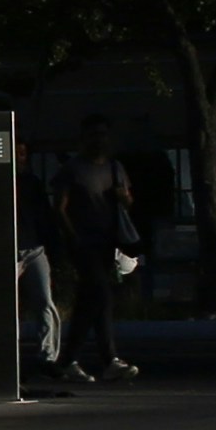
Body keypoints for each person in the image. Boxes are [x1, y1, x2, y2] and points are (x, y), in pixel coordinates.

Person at [53, 113, 143, 385]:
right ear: (83, 139)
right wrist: (73, 237)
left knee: (90, 302)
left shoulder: (115, 168)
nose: (99, 140)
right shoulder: (72, 169)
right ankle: (109, 360)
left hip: (108, 243)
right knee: (101, 295)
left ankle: (68, 360)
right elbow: (59, 208)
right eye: (93, 135)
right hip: (84, 244)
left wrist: (123, 197)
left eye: (103, 135)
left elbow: (128, 203)